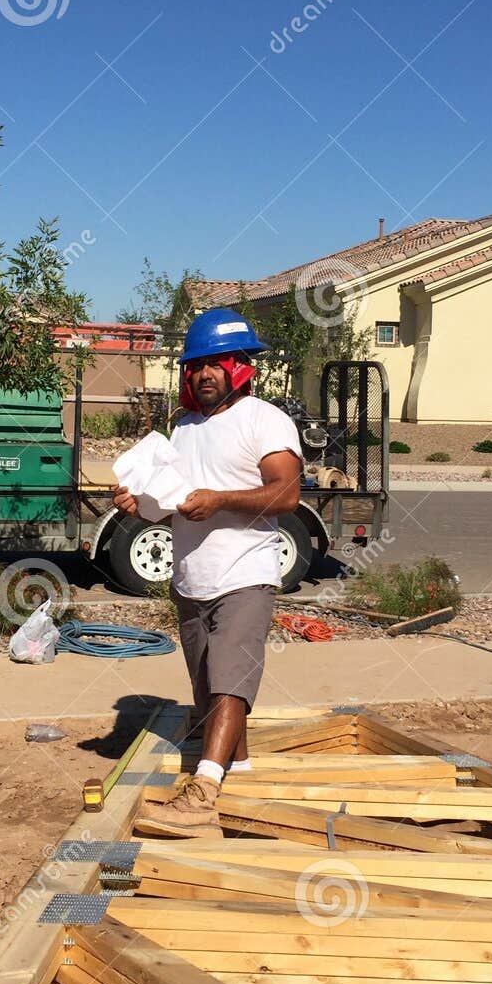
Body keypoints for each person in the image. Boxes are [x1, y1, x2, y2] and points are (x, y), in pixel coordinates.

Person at [112, 307, 302, 839]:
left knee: (229, 682)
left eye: (216, 363)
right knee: (207, 692)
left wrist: (220, 500)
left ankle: (202, 794)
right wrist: (138, 503)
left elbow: (286, 494)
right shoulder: (185, 428)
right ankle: (235, 780)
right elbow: (168, 502)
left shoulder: (264, 420)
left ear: (242, 366)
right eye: (195, 364)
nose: (204, 374)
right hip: (191, 580)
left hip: (246, 573)